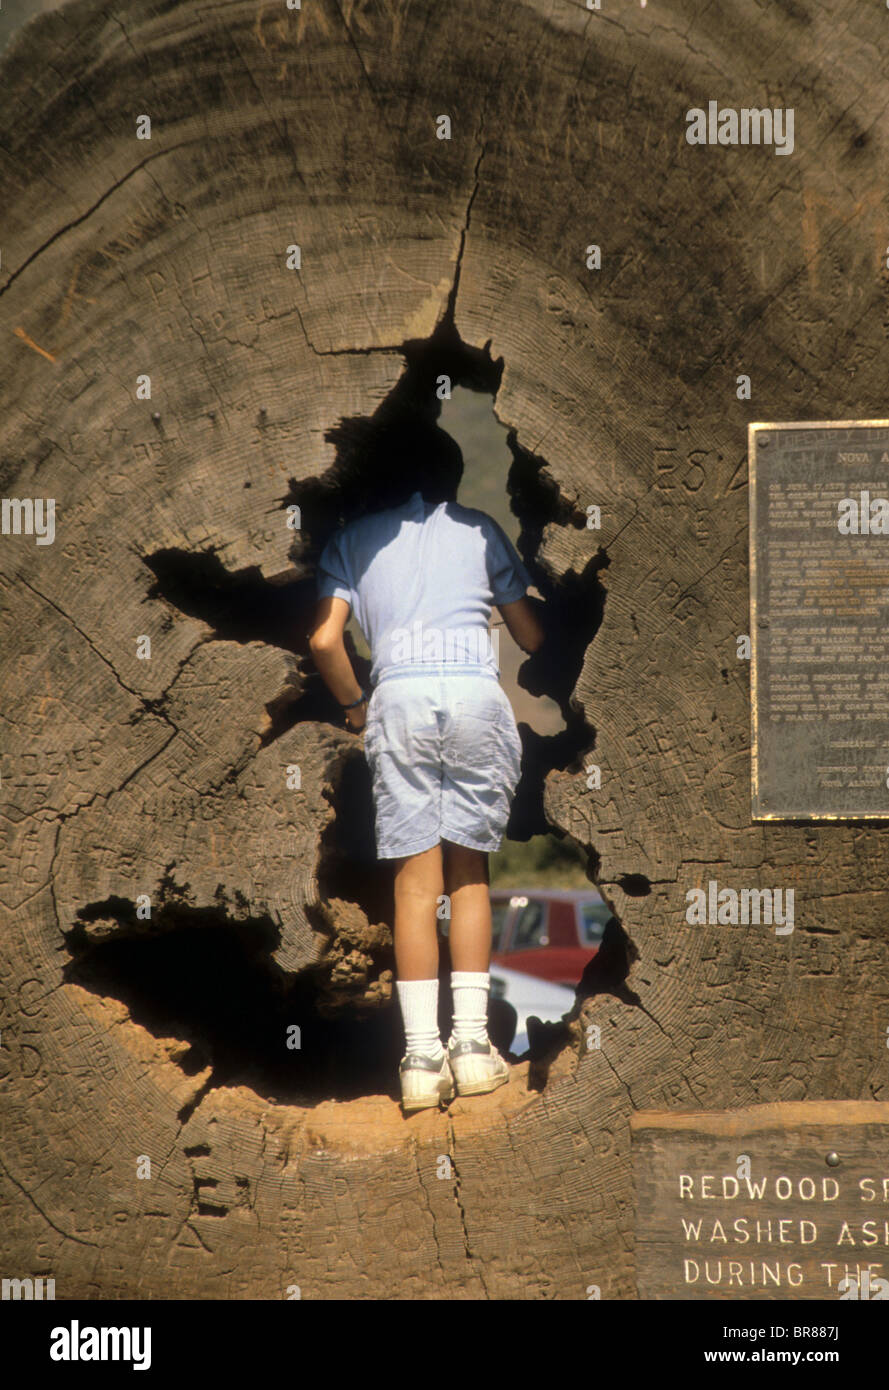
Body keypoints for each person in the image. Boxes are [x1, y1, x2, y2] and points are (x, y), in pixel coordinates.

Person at [308, 416, 545, 1113]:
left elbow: (325, 639)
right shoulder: (478, 531)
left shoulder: (351, 541)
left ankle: (417, 1059)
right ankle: (472, 1049)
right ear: (452, 478)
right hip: (473, 696)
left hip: (398, 698)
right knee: (468, 874)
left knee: (416, 887)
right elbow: (528, 634)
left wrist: (355, 705)